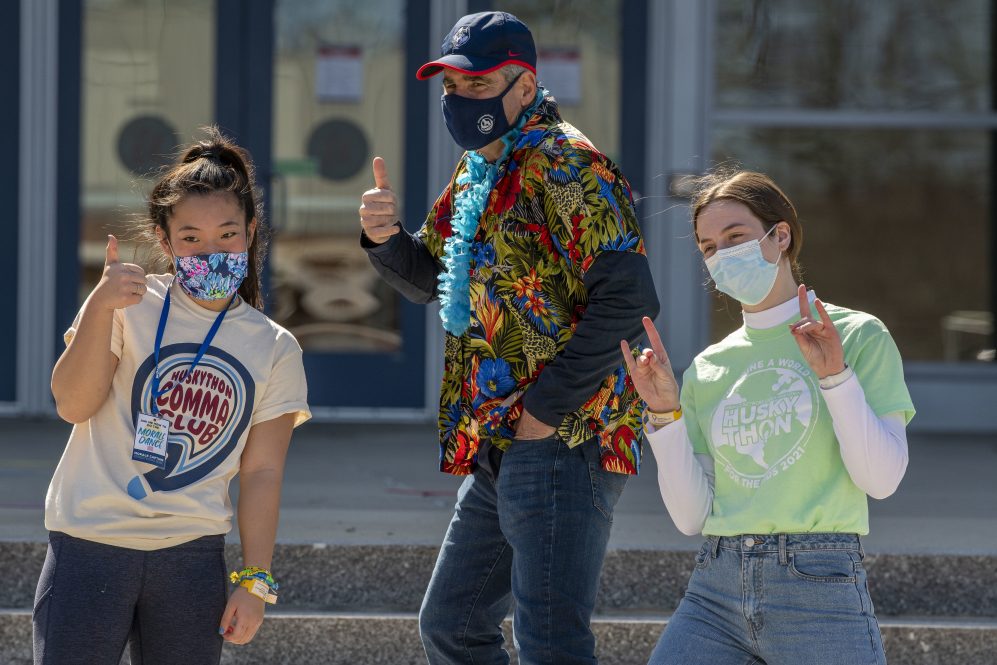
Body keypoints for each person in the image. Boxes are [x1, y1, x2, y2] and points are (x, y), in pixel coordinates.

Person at [359, 11, 659, 665]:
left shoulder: (568, 167)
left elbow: (628, 298)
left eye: (478, 84)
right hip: (500, 439)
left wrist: (542, 414)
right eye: (452, 88)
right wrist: (384, 240)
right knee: (452, 623)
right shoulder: (477, 170)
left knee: (551, 641)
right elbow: (436, 279)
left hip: (563, 435)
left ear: (524, 86)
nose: (463, 100)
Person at [34, 127, 310, 665]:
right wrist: (99, 307)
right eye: (191, 238)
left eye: (228, 234)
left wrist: (255, 581)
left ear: (251, 233)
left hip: (190, 559)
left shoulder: (275, 348)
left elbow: (261, 474)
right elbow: (72, 404)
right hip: (88, 545)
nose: (212, 250)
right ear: (165, 242)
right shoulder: (128, 304)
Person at [621, 170, 915, 665]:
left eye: (735, 237)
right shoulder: (709, 368)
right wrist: (663, 414)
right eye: (709, 247)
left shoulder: (855, 334)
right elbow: (692, 518)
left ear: (780, 236)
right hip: (714, 587)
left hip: (817, 585)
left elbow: (881, 480)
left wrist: (835, 377)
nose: (721, 255)